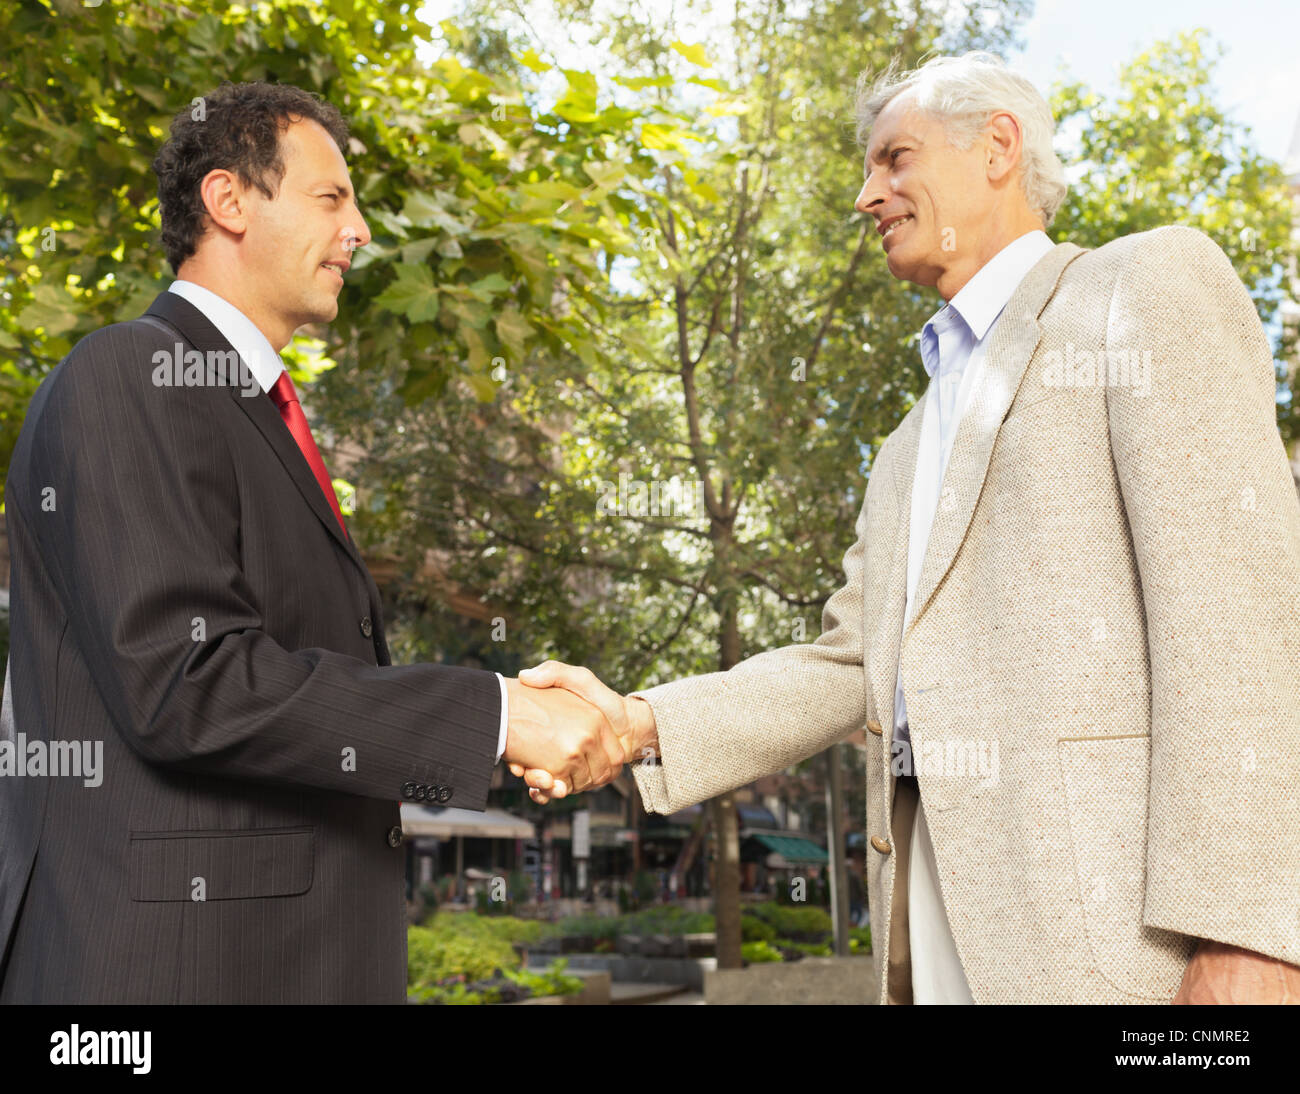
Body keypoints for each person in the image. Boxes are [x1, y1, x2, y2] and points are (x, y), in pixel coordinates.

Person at [511, 52, 1300, 1004]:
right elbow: (848, 665)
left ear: (998, 145)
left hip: (1127, 959)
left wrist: (1250, 939)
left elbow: (1242, 620)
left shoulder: (1142, 287)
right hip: (932, 939)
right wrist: (635, 723)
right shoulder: (903, 447)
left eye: (895, 158)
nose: (865, 194)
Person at [0, 81, 625, 1004]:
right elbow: (189, 684)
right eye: (332, 199)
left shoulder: (243, 407)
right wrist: (496, 716)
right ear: (229, 202)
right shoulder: (129, 373)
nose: (361, 230)